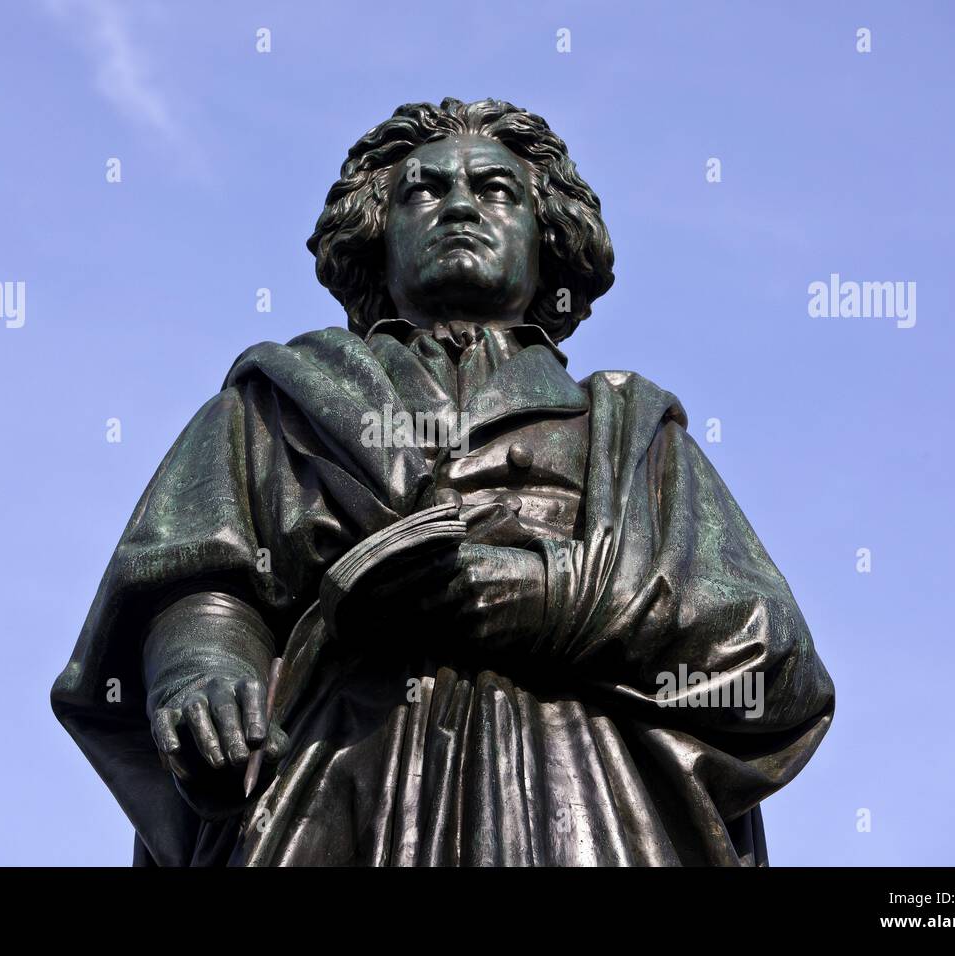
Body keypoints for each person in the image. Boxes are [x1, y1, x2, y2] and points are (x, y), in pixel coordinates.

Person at [51, 97, 835, 866]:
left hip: (581, 799)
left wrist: (551, 598)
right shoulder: (275, 400)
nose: (459, 206)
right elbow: (196, 579)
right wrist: (203, 667)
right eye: (423, 190)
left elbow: (774, 660)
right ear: (378, 233)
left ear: (546, 235)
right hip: (336, 778)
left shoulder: (626, 430)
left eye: (496, 190)